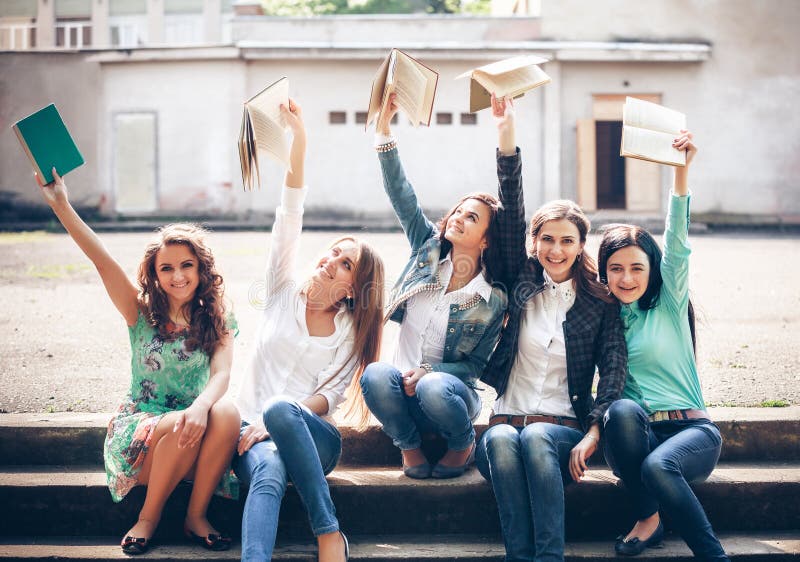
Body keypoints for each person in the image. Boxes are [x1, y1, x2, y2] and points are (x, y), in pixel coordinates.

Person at [35, 169, 240, 555]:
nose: (178, 275)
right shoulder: (139, 312)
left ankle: (196, 516)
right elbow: (101, 259)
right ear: (155, 274)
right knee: (186, 420)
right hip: (140, 440)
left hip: (191, 432)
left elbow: (223, 373)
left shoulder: (218, 318)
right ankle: (148, 516)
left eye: (186, 265)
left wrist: (200, 406)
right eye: (167, 268)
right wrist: (61, 204)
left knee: (226, 411)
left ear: (201, 270)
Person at [476, 94, 628, 562]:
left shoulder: (600, 303)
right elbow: (512, 208)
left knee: (538, 437)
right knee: (501, 438)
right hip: (506, 422)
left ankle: (549, 557)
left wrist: (594, 431)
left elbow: (615, 368)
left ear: (582, 244)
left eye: (567, 240)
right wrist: (507, 135)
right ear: (534, 242)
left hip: (561, 434)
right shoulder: (520, 278)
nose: (555, 250)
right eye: (547, 239)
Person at [233, 99, 385, 562]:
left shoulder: (349, 334)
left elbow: (326, 401)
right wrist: (300, 141)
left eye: (345, 265)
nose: (329, 261)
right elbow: (289, 214)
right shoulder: (280, 291)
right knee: (268, 473)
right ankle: (318, 537)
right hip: (247, 431)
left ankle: (327, 531)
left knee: (282, 410)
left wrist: (273, 420)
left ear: (353, 291)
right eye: (333, 252)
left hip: (315, 439)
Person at [360, 92, 507, 481]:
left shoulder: (492, 298)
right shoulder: (426, 249)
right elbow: (402, 194)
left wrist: (429, 370)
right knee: (375, 374)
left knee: (436, 386)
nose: (458, 217)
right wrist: (384, 131)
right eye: (457, 210)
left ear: (486, 239)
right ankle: (409, 446)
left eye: (471, 217)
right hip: (401, 394)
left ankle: (462, 445)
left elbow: (474, 367)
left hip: (448, 396)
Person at [598, 132, 728, 561]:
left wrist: (681, 171)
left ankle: (709, 554)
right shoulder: (603, 319)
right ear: (605, 273)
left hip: (692, 432)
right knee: (622, 410)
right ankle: (648, 515)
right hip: (635, 437)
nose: (627, 278)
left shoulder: (669, 303)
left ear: (653, 271)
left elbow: (677, 240)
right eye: (615, 269)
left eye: (637, 267)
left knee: (660, 466)